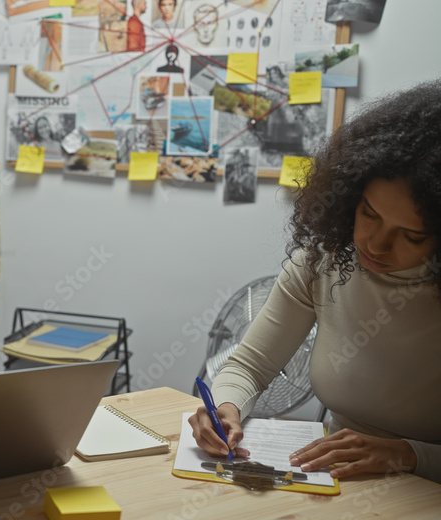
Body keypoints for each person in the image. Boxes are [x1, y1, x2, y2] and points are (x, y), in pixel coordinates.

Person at [189, 80, 441, 484]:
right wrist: (225, 407)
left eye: (412, 236)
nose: (376, 244)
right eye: (369, 213)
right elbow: (250, 366)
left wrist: (411, 455)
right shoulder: (321, 264)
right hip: (334, 483)